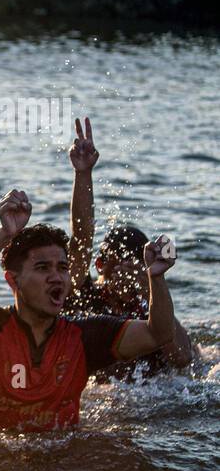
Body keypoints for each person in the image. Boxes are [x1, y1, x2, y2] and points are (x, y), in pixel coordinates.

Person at [0, 188, 179, 431]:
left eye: (62, 267)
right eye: (42, 268)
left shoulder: (84, 337)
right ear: (13, 280)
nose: (56, 277)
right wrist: (4, 234)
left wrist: (156, 278)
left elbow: (159, 334)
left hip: (60, 459)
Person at [63, 117, 193, 375]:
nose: (124, 274)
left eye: (133, 266)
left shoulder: (147, 306)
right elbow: (81, 239)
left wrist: (149, 286)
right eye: (117, 264)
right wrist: (83, 174)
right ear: (100, 265)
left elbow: (182, 358)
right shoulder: (82, 293)